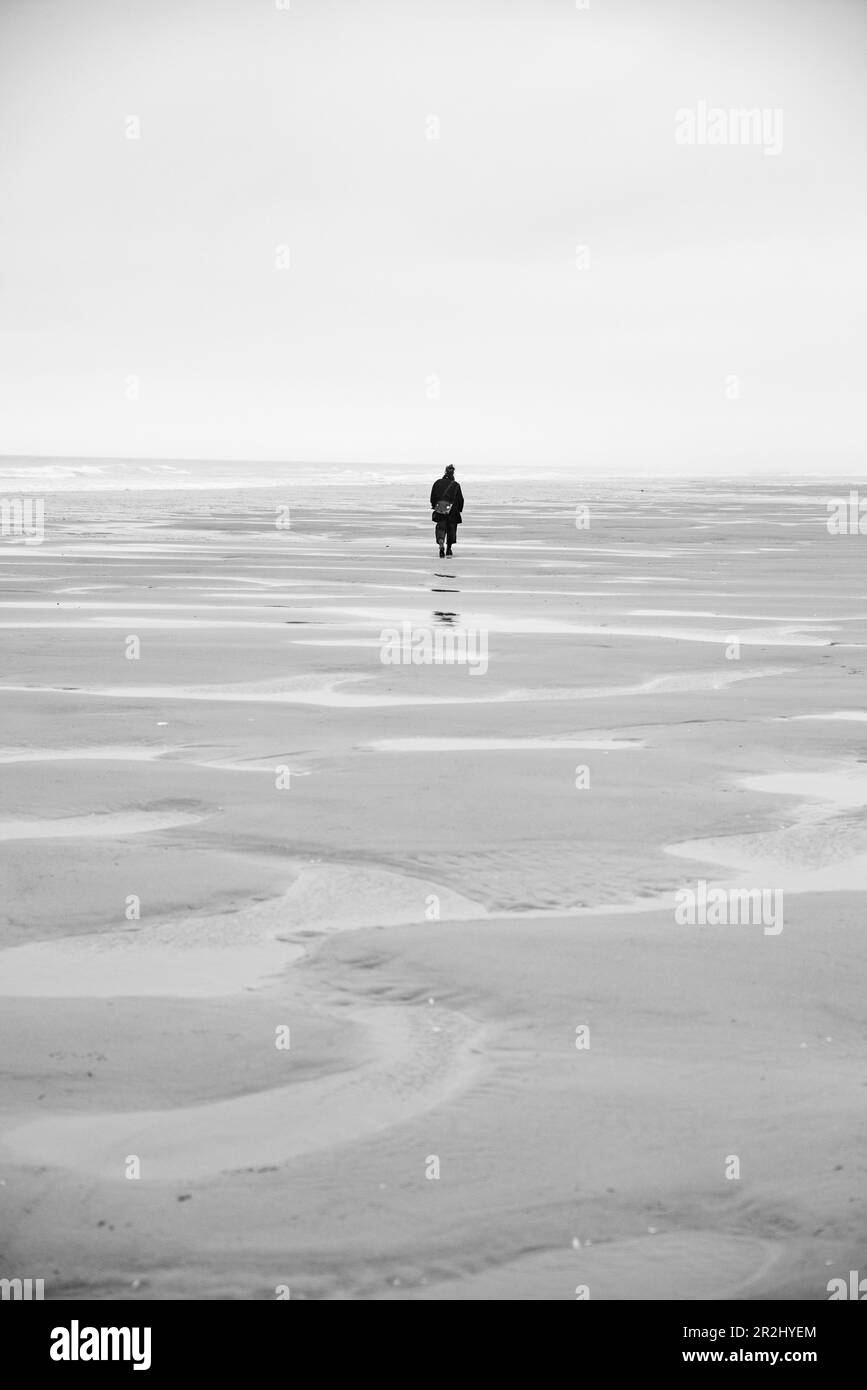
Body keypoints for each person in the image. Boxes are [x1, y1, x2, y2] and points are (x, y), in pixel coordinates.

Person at [430, 464, 464, 558]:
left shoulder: (437, 483)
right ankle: (449, 548)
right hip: (453, 511)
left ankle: (441, 545)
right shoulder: (456, 485)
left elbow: (433, 496)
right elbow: (460, 499)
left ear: (445, 472)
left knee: (441, 528)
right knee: (451, 529)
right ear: (453, 473)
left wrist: (434, 505)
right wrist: (459, 510)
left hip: (441, 509)